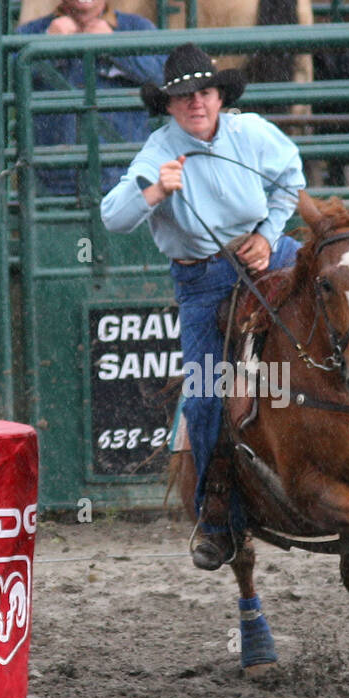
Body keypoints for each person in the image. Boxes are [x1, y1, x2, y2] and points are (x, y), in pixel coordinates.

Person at [101, 44, 304, 570]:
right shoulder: (157, 153)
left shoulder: (250, 132)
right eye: (184, 96)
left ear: (219, 96)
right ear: (169, 105)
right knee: (208, 395)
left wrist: (267, 233)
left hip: (267, 253)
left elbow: (290, 180)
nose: (197, 103)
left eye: (205, 92)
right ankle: (215, 517)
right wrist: (153, 192)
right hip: (205, 280)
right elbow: (113, 217)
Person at [17, 0, 166, 196]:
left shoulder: (136, 29)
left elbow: (163, 76)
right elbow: (0, 80)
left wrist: (115, 47)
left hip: (124, 175)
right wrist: (46, 47)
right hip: (52, 178)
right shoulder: (32, 33)